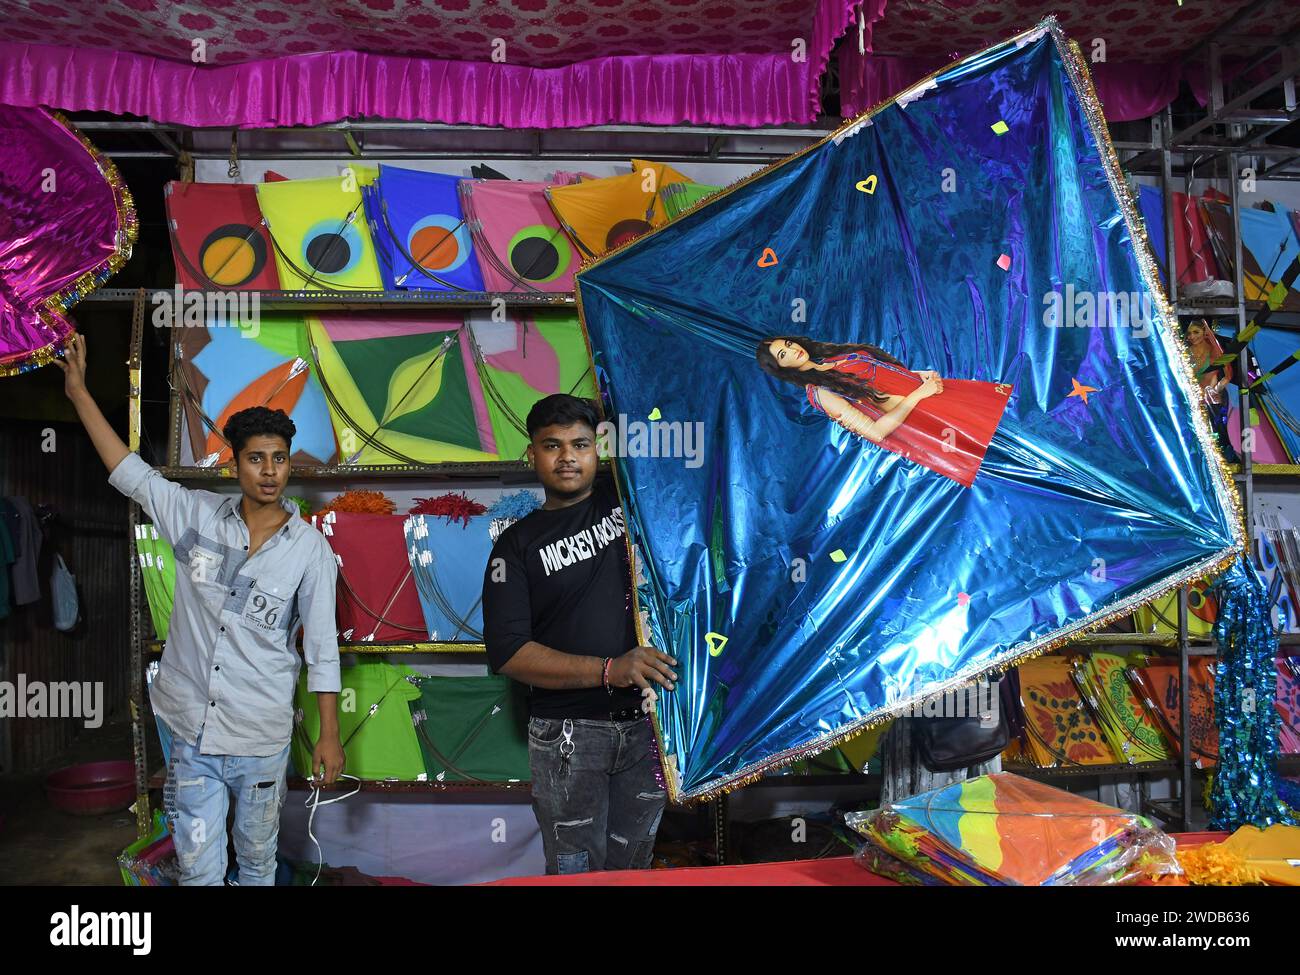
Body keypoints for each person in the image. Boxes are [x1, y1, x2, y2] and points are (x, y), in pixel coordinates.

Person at [55, 332, 344, 886]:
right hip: (189, 728)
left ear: (289, 466)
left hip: (260, 735)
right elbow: (129, 472)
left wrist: (328, 734)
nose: (268, 470)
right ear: (234, 465)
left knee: (257, 863)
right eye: (255, 459)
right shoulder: (196, 517)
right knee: (197, 866)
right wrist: (79, 395)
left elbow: (324, 648)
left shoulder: (311, 551)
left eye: (279, 459)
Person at [482, 393, 676, 874]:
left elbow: (665, 436)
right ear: (532, 454)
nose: (567, 456)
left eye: (580, 443)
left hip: (647, 726)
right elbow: (509, 653)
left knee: (634, 863)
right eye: (552, 445)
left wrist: (613, 397)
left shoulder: (627, 498)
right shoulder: (514, 546)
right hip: (568, 735)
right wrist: (612, 669)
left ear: (598, 448)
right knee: (576, 870)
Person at [756, 335, 1013, 488]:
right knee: (1007, 451)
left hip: (942, 396)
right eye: (783, 353)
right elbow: (877, 433)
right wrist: (918, 394)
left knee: (1013, 418)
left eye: (788, 344)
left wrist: (916, 376)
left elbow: (883, 378)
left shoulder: (830, 358)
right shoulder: (819, 392)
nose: (792, 350)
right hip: (930, 419)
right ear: (781, 367)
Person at [1184, 318, 1240, 464]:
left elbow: (1228, 376)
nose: (1192, 336)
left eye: (1196, 332)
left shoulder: (1213, 351)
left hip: (1212, 402)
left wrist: (1215, 390)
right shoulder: (1185, 353)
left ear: (1205, 333)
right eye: (1189, 333)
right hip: (1191, 401)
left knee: (1217, 437)